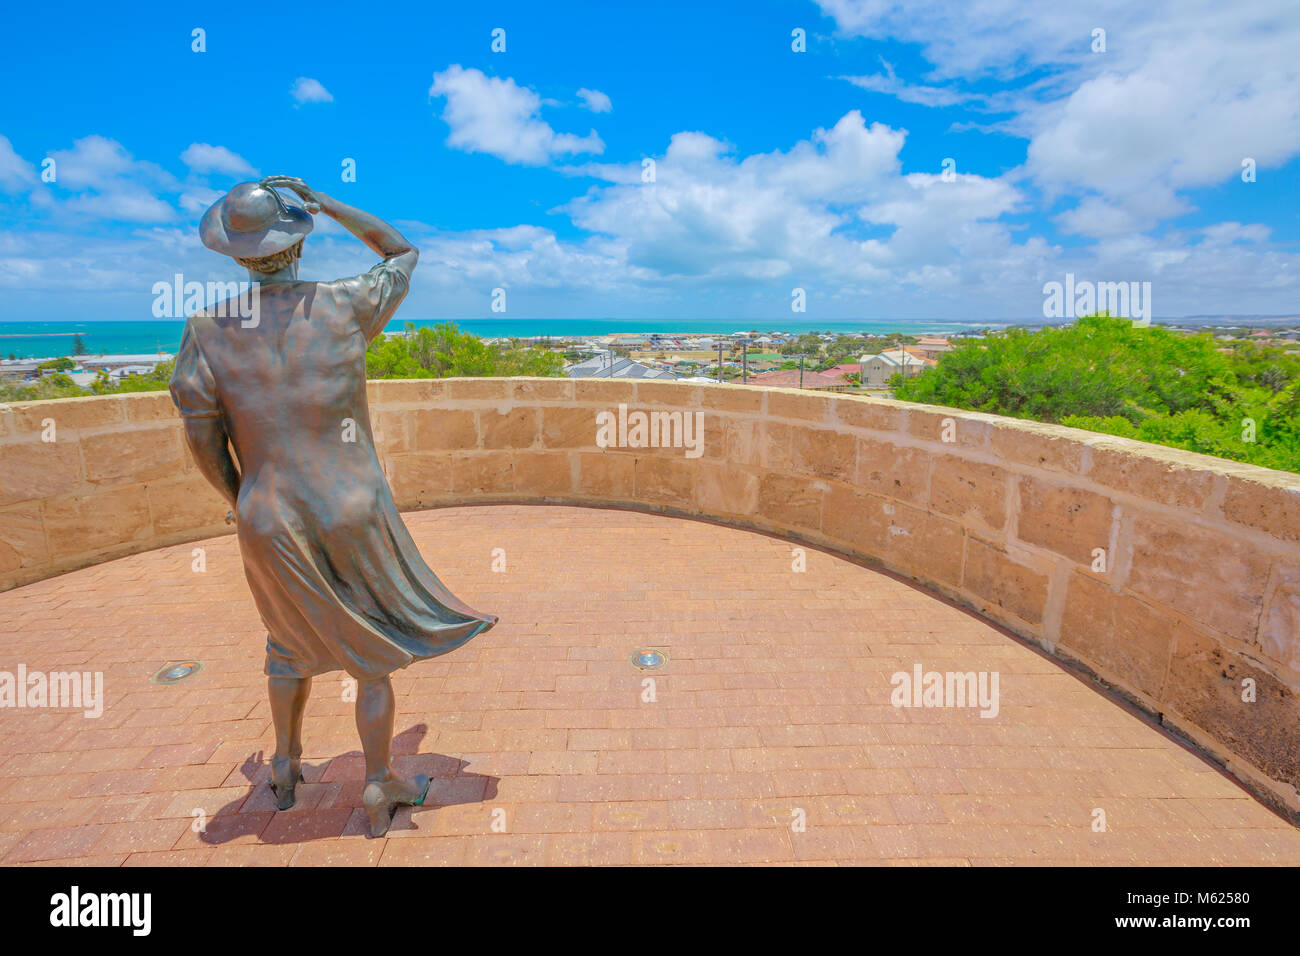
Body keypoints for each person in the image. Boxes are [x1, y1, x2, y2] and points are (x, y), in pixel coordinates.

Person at [170, 177, 497, 837]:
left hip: (268, 512)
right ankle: (380, 783)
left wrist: (244, 499)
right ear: (298, 243)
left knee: (286, 648)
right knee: (370, 655)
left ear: (236, 255)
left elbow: (200, 430)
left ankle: (285, 766)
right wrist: (328, 204)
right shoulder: (345, 303)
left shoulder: (207, 329)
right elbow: (401, 253)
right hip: (350, 504)